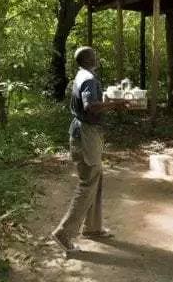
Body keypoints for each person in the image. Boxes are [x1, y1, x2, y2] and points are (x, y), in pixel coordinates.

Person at [51, 46, 126, 255]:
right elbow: (90, 106)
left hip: (83, 133)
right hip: (86, 135)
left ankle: (93, 228)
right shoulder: (89, 79)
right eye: (95, 54)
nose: (97, 56)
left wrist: (109, 101)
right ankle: (64, 233)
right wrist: (115, 104)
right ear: (89, 58)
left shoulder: (82, 75)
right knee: (88, 183)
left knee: (96, 178)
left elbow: (91, 104)